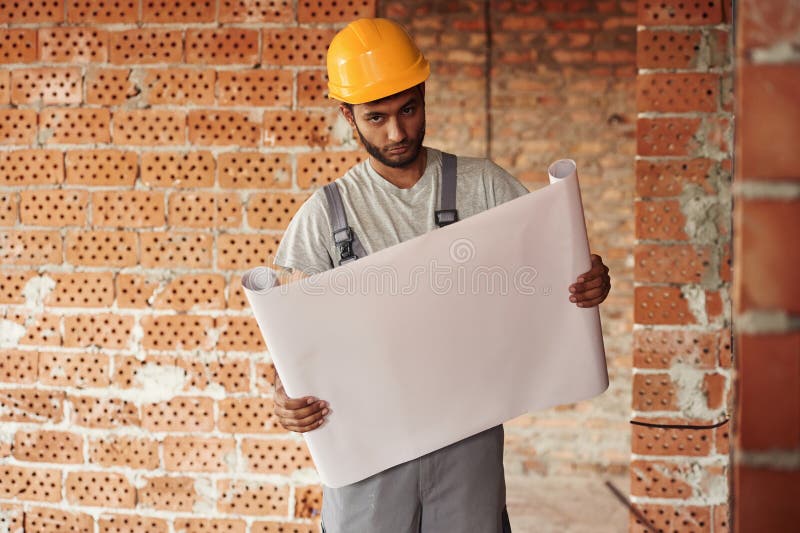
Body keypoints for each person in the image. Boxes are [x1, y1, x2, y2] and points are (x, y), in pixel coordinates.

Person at [270, 17, 611, 533]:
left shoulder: (484, 186)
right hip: (369, 452)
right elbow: (292, 343)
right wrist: (284, 396)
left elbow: (551, 277)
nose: (397, 133)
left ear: (424, 95)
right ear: (348, 115)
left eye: (408, 110)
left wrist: (589, 280)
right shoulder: (324, 216)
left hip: (467, 437)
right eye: (376, 117)